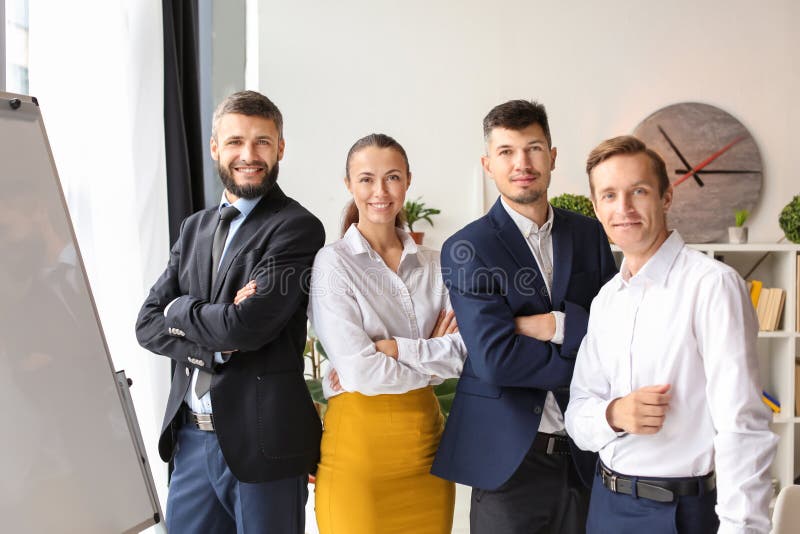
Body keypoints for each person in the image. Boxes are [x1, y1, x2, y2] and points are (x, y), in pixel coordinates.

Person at [565, 135, 777, 533]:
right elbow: (578, 413)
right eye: (609, 195)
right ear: (596, 208)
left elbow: (742, 426)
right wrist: (614, 414)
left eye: (638, 191)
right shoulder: (606, 300)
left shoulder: (712, 286)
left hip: (679, 513)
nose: (623, 208)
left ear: (666, 198)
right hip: (605, 508)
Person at [135, 90, 325, 533]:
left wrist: (181, 310)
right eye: (236, 141)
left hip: (264, 444)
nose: (249, 154)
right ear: (215, 148)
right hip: (190, 439)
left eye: (263, 141)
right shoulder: (195, 227)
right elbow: (146, 323)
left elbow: (246, 327)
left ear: (280, 148)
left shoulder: (296, 227)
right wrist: (212, 339)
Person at [431, 100, 617, 534]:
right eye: (507, 152)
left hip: (586, 453)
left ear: (552, 156)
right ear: (487, 164)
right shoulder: (468, 247)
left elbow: (614, 332)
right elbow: (496, 360)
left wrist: (555, 325)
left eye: (533, 148)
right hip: (509, 461)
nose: (522, 163)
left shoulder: (589, 233)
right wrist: (583, 352)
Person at [306, 133, 467, 534]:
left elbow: (464, 355)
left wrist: (394, 349)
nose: (380, 191)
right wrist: (430, 355)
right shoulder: (332, 265)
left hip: (428, 454)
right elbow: (360, 373)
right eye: (366, 179)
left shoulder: (438, 263)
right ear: (349, 185)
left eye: (392, 177)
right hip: (357, 458)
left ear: (408, 181)